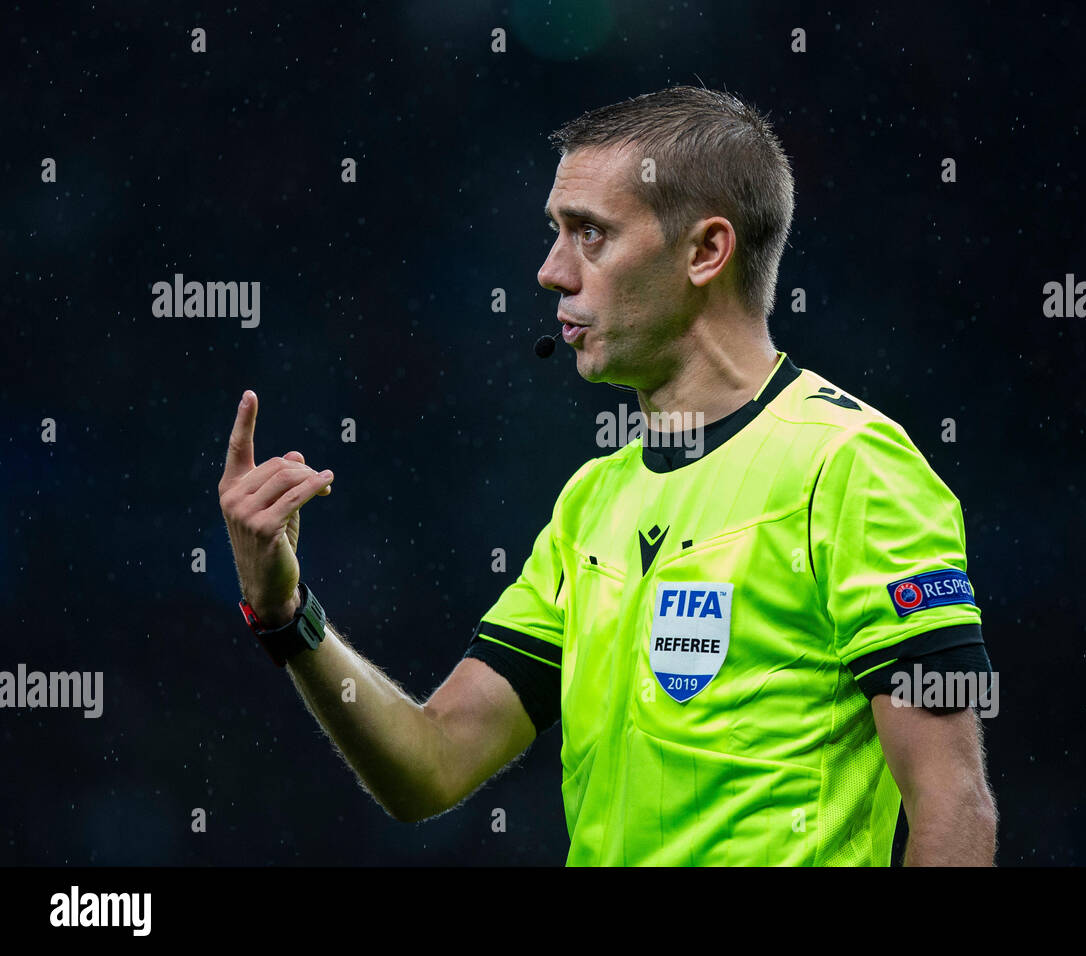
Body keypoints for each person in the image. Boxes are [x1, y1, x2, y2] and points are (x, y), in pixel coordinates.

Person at [218, 85, 997, 866]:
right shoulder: (592, 502)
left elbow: (953, 803)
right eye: (556, 233)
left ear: (706, 251)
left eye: (589, 233)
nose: (551, 272)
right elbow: (433, 764)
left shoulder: (851, 465)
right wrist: (286, 613)